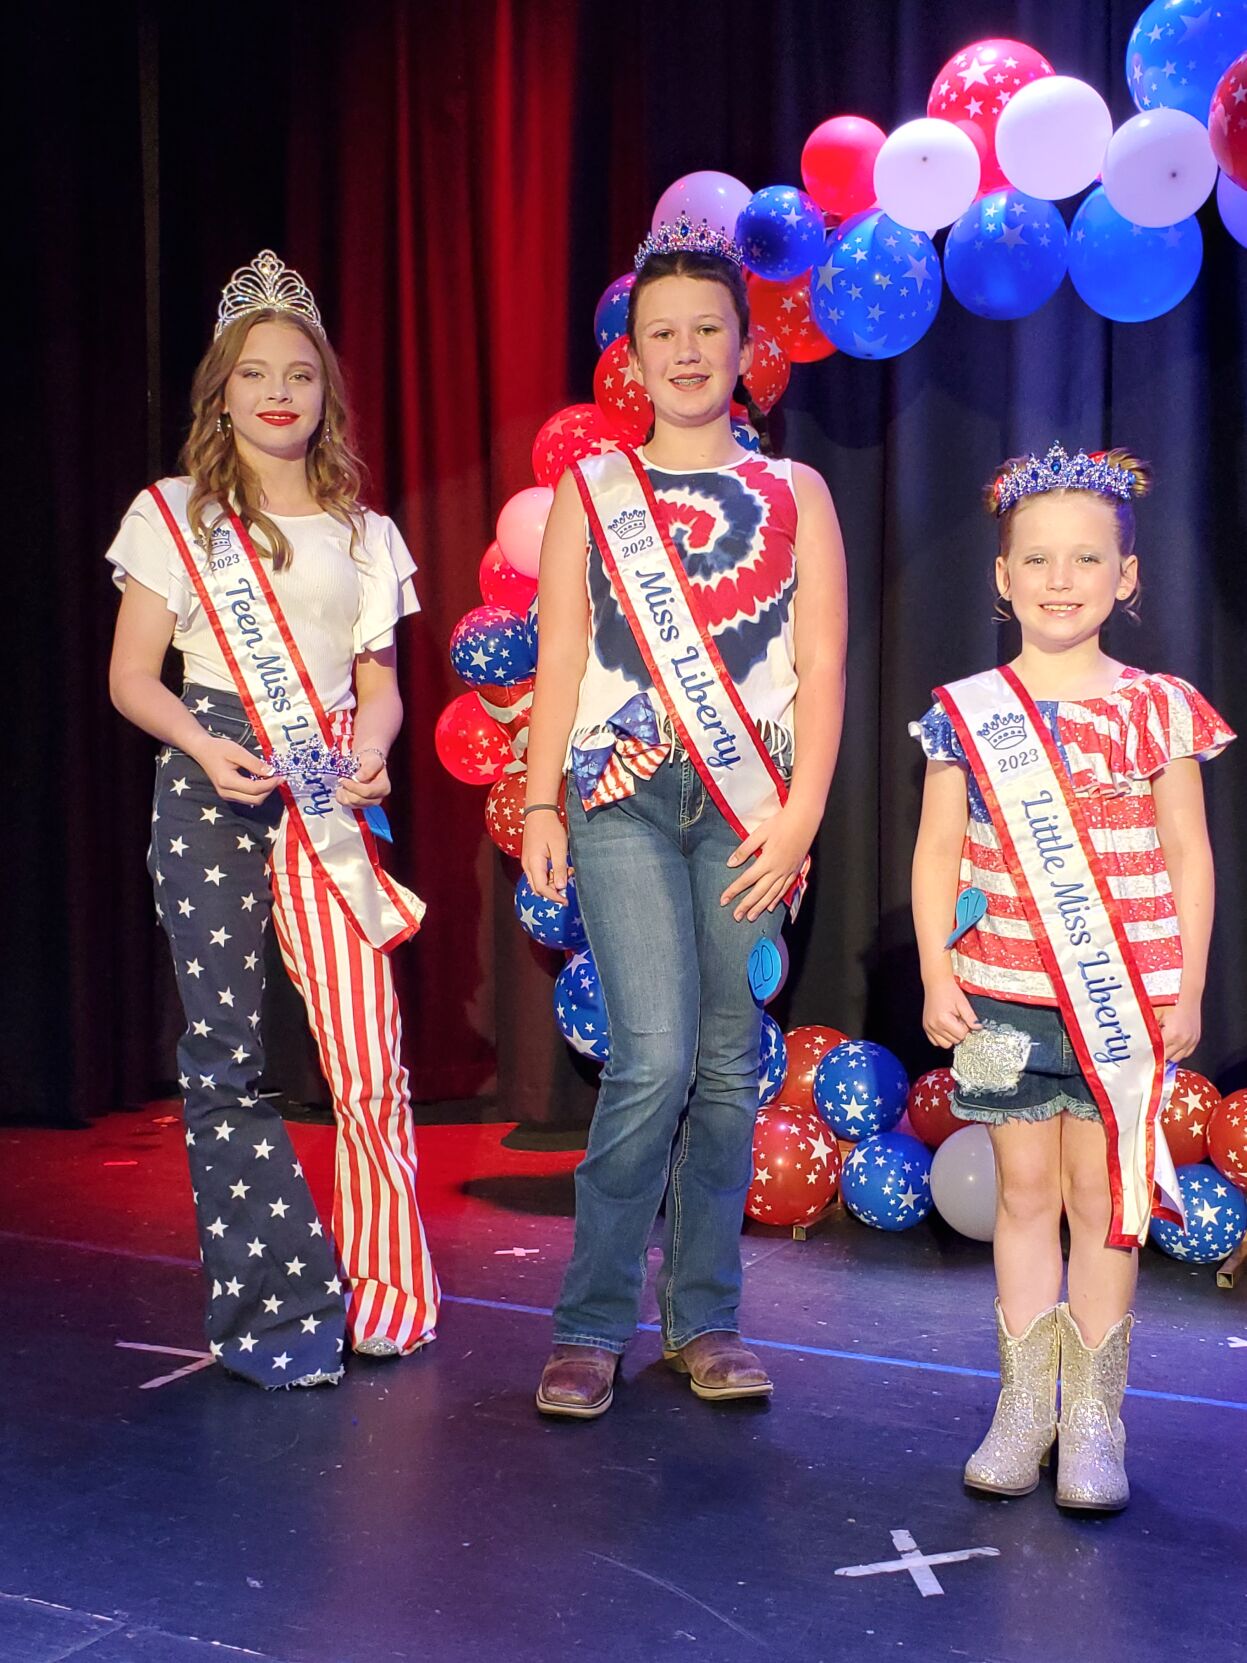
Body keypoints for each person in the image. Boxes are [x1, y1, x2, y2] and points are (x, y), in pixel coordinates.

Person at [522, 217, 848, 1418]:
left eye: (707, 326)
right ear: (631, 357)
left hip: (750, 800)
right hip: (617, 796)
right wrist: (544, 797)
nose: (686, 349)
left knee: (723, 1065)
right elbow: (560, 659)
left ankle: (704, 1319)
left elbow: (821, 666)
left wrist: (803, 812)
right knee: (650, 1052)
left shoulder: (793, 491)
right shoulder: (590, 491)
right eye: (662, 332)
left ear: (745, 343)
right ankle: (589, 1322)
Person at [107, 251, 439, 1386]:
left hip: (323, 795)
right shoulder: (172, 516)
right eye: (255, 373)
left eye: (299, 372)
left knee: (368, 1061)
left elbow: (382, 679)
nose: (278, 392)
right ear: (223, 389)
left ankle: (390, 1295)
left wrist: (373, 750)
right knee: (226, 1059)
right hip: (211, 784)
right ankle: (271, 1312)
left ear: (325, 393)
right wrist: (202, 745)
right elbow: (133, 676)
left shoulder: (363, 532)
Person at [911, 443, 1233, 1507]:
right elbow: (934, 851)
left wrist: (1184, 986)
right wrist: (931, 968)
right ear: (1001, 577)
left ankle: (1093, 1420)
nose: (1059, 579)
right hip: (1001, 994)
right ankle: (1022, 1406)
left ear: (1125, 578)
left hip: (1120, 1005)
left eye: (1085, 560)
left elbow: (1188, 852)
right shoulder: (962, 711)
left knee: (1104, 1200)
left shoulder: (1159, 706)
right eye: (1036, 559)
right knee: (1021, 1193)